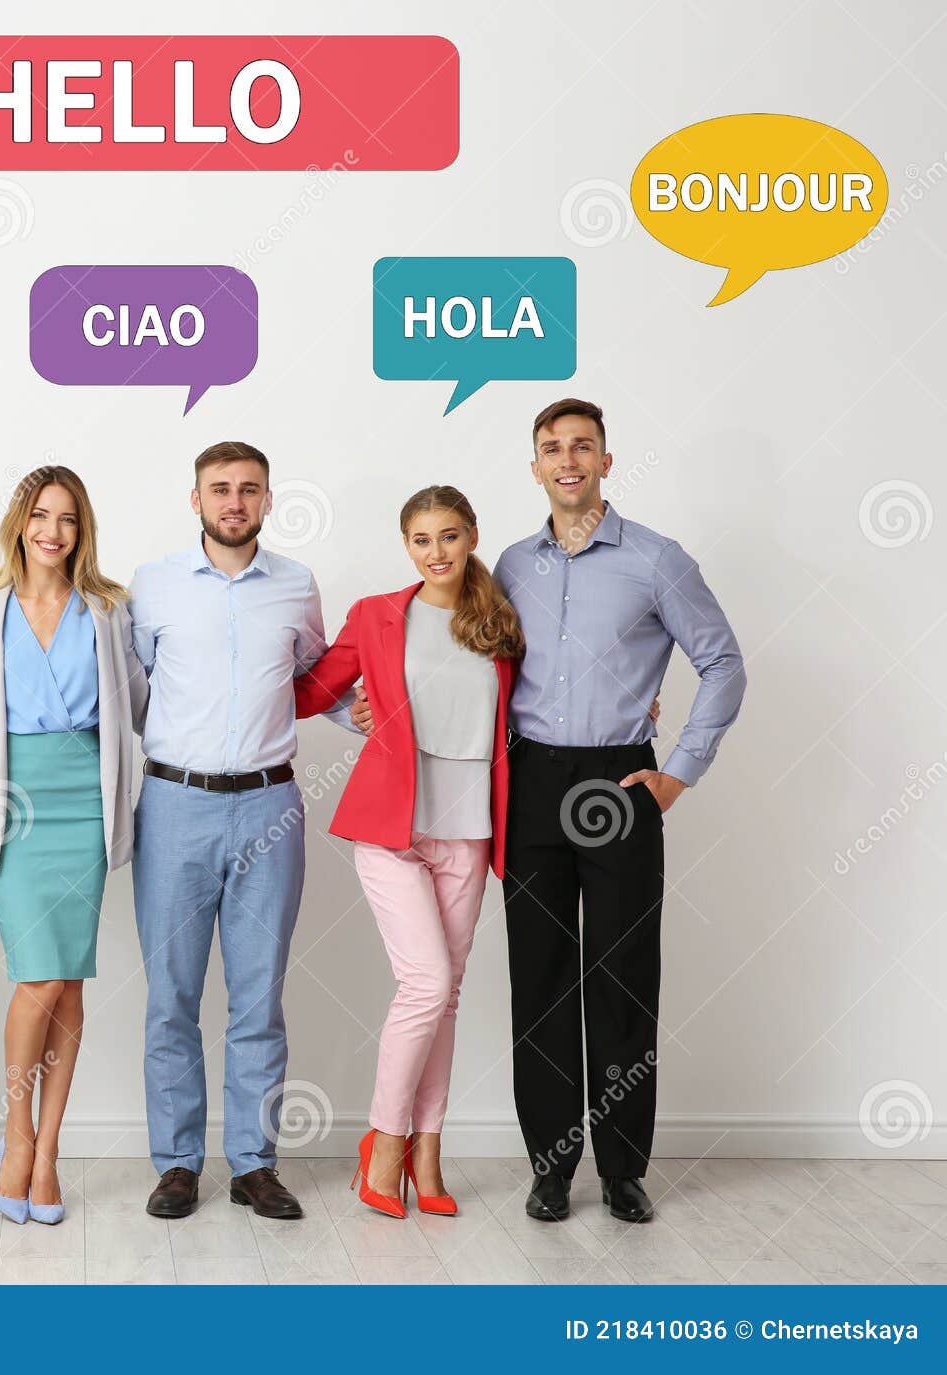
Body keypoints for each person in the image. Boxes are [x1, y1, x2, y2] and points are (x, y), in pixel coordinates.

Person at [493, 398, 746, 1225]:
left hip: (619, 782)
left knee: (623, 975)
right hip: (530, 780)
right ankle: (550, 1168)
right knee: (540, 978)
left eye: (582, 446)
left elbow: (722, 663)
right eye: (551, 448)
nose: (567, 459)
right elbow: (471, 666)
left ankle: (624, 1167)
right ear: (534, 466)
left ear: (606, 459)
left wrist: (675, 775)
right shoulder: (508, 565)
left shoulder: (657, 558)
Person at [127, 440, 361, 1221]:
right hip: (173, 807)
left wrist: (366, 711)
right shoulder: (153, 587)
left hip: (269, 805)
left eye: (249, 489)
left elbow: (315, 676)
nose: (234, 501)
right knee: (173, 996)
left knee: (259, 998)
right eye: (220, 488)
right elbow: (129, 690)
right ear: (194, 498)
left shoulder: (296, 585)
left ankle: (254, 1163)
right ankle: (177, 1163)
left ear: (268, 500)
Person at [0, 467, 146, 1225]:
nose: (53, 530)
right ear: (18, 522)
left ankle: (47, 1153)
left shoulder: (110, 608)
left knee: (69, 981)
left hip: (85, 797)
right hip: (8, 801)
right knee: (39, 977)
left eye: (68, 519)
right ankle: (15, 1138)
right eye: (41, 515)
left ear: (83, 530)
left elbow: (145, 703)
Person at [294, 485, 522, 1219]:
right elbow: (310, 687)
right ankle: (385, 1144)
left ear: (472, 535)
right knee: (425, 983)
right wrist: (351, 711)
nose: (437, 552)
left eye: (450, 536)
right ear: (407, 546)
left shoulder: (500, 619)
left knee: (445, 993)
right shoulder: (377, 615)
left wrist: (632, 700)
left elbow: (550, 694)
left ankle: (429, 1152)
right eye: (422, 540)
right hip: (392, 830)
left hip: (470, 829)